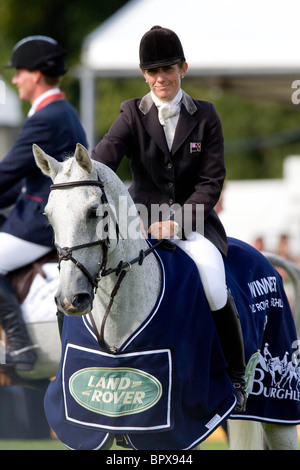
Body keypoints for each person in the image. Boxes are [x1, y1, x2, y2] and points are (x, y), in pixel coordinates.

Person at [92, 26, 247, 411]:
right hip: (139, 223)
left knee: (212, 283)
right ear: (144, 74)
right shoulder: (132, 112)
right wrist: (82, 174)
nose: (161, 78)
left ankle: (237, 376)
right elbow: (104, 159)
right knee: (87, 271)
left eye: (168, 69)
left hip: (192, 223)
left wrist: (176, 222)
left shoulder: (206, 115)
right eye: (153, 71)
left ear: (183, 68)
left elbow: (212, 182)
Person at [0, 36, 87, 371]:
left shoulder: (47, 117)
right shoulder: (57, 111)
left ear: (35, 74)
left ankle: (21, 347)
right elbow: (21, 178)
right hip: (34, 209)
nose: (15, 79)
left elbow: (8, 173)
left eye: (19, 72)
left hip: (39, 221)